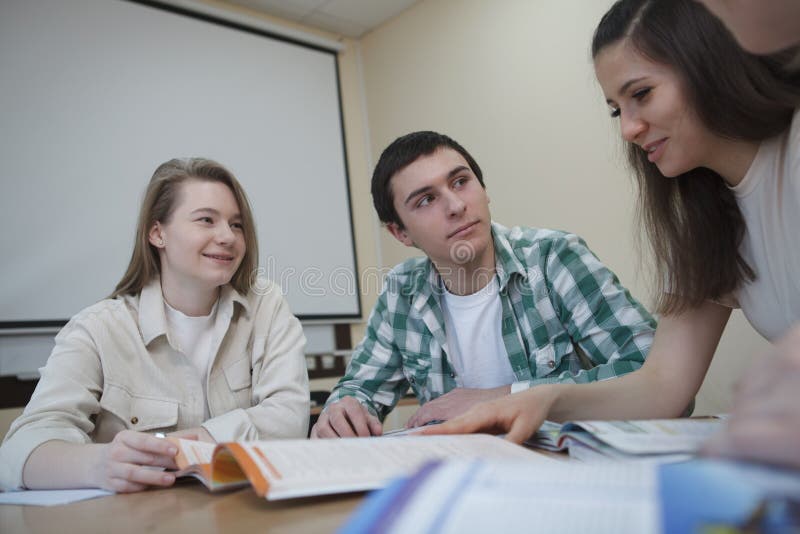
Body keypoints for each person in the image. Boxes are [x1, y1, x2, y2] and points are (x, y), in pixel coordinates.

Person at [425, 0, 800, 468]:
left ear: (709, 64)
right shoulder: (703, 220)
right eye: (615, 110)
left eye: (641, 93)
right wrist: (542, 400)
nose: (628, 129)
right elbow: (662, 384)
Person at [311, 130, 657, 438]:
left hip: (561, 469)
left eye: (461, 181)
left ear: (484, 189)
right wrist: (343, 409)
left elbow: (652, 375)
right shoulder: (401, 291)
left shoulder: (554, 258)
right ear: (400, 232)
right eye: (426, 200)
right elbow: (360, 389)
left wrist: (503, 397)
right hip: (458, 478)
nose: (457, 205)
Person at [0, 158, 309, 492]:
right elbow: (18, 452)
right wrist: (101, 464)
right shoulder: (98, 328)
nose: (227, 237)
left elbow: (290, 419)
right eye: (206, 219)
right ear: (157, 232)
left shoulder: (267, 305)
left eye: (236, 225)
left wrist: (184, 447)